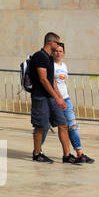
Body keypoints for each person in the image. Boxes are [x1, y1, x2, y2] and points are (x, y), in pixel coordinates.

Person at [28, 31, 76, 164]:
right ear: (51, 43)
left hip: (51, 97)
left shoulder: (49, 58)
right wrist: (56, 97)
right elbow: (43, 80)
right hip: (40, 97)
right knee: (41, 126)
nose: (60, 45)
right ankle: (37, 154)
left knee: (63, 124)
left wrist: (59, 98)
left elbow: (52, 80)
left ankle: (67, 155)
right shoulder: (39, 57)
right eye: (58, 43)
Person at [50, 43, 94, 164]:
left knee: (72, 126)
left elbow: (62, 83)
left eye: (60, 51)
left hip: (66, 99)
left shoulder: (64, 65)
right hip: (55, 99)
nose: (58, 53)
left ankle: (79, 153)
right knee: (44, 127)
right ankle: (38, 151)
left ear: (64, 53)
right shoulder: (50, 65)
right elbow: (52, 84)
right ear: (52, 52)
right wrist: (59, 98)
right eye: (56, 51)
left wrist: (65, 98)